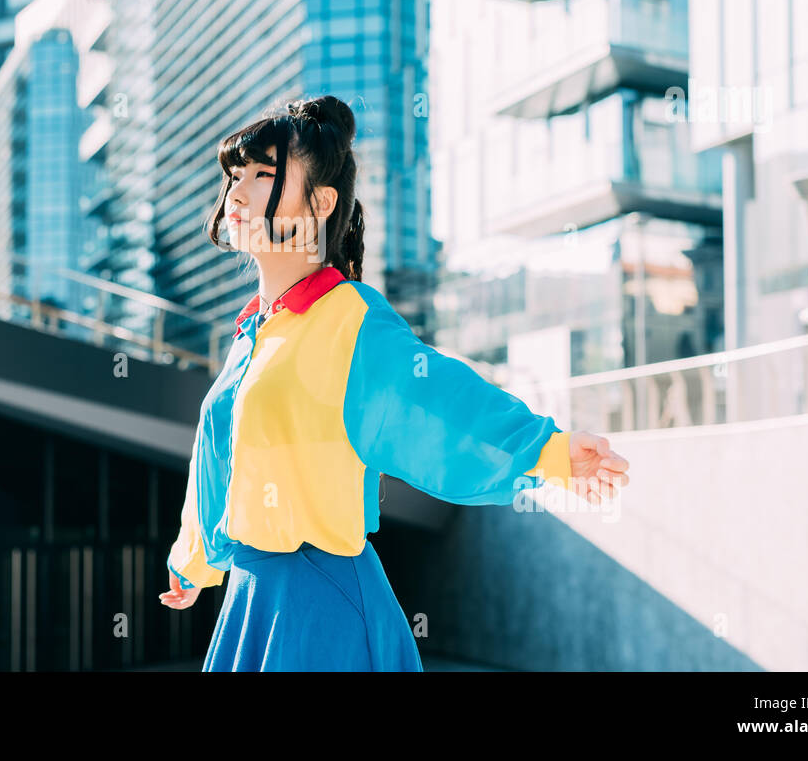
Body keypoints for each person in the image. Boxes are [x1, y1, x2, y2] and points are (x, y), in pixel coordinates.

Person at [158, 95, 629, 671]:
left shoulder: (347, 318)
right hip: (252, 600)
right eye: (235, 175)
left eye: (263, 174)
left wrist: (550, 451)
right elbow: (220, 458)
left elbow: (439, 400)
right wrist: (193, 561)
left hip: (318, 602)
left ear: (322, 201)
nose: (236, 192)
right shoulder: (255, 332)